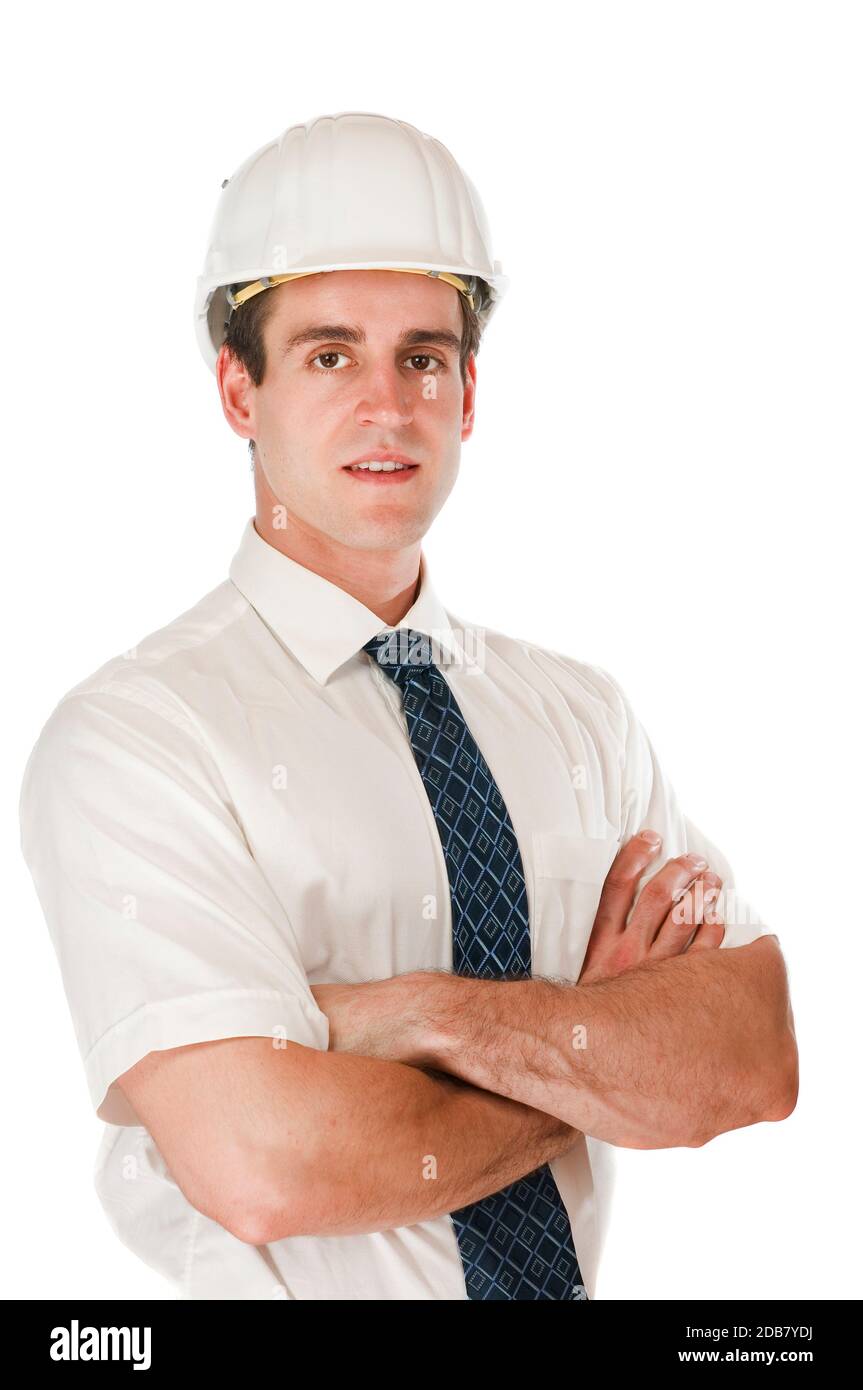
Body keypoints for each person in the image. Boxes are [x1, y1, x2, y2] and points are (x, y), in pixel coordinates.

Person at [19, 111, 798, 1301]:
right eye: (330, 354)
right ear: (239, 387)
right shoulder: (138, 738)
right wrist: (592, 1040)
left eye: (422, 357)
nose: (386, 407)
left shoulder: (580, 719)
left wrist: (413, 1014)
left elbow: (749, 1060)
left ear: (468, 391)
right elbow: (264, 1164)